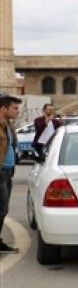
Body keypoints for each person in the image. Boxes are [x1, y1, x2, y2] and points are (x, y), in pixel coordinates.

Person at [0, 95, 22, 254]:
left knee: (3, 209)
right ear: (3, 108)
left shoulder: (9, 126)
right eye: (14, 108)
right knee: (1, 209)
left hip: (8, 171)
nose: (18, 111)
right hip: (0, 172)